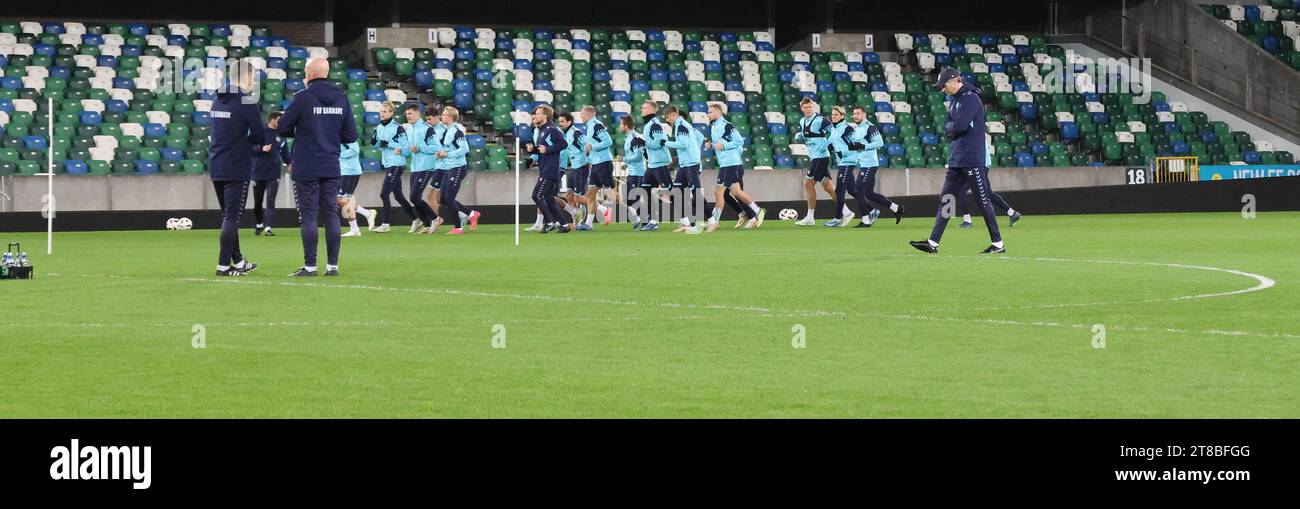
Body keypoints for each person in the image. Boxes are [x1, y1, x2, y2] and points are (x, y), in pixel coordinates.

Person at [277, 57, 358, 276]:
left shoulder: (303, 98)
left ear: (311, 74)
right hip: (331, 164)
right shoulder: (341, 98)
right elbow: (351, 135)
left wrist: (300, 130)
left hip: (306, 165)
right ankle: (332, 266)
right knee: (331, 213)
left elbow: (282, 127)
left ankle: (310, 266)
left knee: (309, 215)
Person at [910, 67, 1003, 254]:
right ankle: (933, 242)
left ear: (954, 81)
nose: (942, 89)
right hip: (957, 159)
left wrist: (952, 127)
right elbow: (946, 127)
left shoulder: (971, 99)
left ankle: (998, 243)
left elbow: (958, 126)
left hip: (972, 159)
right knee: (947, 200)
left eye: (944, 85)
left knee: (982, 200)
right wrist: (953, 127)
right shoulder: (955, 101)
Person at [207, 59, 265, 276]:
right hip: (236, 166)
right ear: (247, 76)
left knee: (227, 216)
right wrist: (247, 141)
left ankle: (238, 261)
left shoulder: (216, 100)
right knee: (232, 217)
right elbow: (260, 135)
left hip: (217, 164)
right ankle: (223, 266)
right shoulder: (247, 102)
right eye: (253, 78)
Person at [703, 102, 764, 232]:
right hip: (727, 163)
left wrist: (723, 146)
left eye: (710, 112)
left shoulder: (727, 125)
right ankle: (757, 210)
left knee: (719, 192)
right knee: (737, 192)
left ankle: (714, 221)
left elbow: (739, 141)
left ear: (719, 112)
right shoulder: (714, 126)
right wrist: (711, 145)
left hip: (729, 163)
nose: (708, 114)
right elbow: (720, 143)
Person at [850, 105, 904, 228]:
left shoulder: (870, 127)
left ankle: (866, 220)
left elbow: (880, 142)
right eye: (854, 114)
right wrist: (854, 146)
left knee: (857, 190)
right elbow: (860, 144)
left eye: (858, 113)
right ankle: (896, 208)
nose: (855, 116)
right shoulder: (858, 128)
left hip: (869, 164)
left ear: (864, 114)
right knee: (869, 193)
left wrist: (863, 146)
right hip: (865, 164)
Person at [957, 135, 1021, 228]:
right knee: (988, 193)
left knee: (961, 191)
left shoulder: (970, 133)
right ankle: (1012, 213)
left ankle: (967, 221)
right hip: (983, 165)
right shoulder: (975, 131)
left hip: (977, 165)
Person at [372, 101, 417, 233]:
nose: (382, 114)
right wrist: (375, 142)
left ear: (392, 113)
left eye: (385, 111)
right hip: (387, 164)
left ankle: (385, 224)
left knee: (384, 193)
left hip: (397, 163)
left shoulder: (398, 128)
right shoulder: (378, 127)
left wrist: (389, 144)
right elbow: (379, 145)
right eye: (381, 111)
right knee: (398, 196)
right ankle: (416, 219)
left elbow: (406, 149)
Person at [525, 105, 571, 233]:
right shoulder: (543, 130)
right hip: (545, 167)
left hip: (550, 169)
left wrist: (548, 149)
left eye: (538, 113)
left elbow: (563, 144)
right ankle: (565, 225)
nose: (535, 116)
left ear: (545, 116)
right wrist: (533, 149)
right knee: (549, 198)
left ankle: (550, 222)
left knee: (537, 195)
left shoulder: (552, 129)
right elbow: (542, 149)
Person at [433, 107, 477, 235]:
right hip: (449, 167)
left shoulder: (457, 131)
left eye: (444, 114)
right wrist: (441, 154)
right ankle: (471, 214)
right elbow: (448, 149)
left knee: (449, 198)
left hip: (458, 168)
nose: (442, 116)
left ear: (451, 117)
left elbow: (465, 149)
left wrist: (447, 154)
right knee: (443, 199)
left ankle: (458, 227)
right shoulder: (447, 131)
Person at [794, 98, 836, 226]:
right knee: (828, 187)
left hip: (821, 156)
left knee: (808, 184)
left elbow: (833, 132)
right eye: (805, 107)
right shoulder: (802, 121)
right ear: (802, 108)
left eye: (809, 107)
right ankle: (846, 211)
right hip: (814, 156)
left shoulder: (820, 120)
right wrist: (801, 135)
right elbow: (808, 134)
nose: (808, 109)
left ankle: (810, 217)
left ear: (813, 107)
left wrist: (826, 143)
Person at [663, 105, 705, 233]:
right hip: (687, 163)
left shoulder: (681, 126)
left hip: (690, 164)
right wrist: (694, 149)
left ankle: (706, 222)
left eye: (667, 117)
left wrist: (666, 143)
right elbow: (700, 137)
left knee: (693, 193)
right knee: (678, 192)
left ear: (674, 115)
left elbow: (683, 144)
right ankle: (689, 222)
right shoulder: (687, 126)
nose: (667, 120)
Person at [251, 111, 290, 237]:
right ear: (272, 120)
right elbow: (249, 148)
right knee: (258, 201)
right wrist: (261, 149)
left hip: (273, 173)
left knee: (271, 200)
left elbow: (285, 154)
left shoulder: (281, 135)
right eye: (279, 120)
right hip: (258, 172)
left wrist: (290, 163)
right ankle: (259, 223)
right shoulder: (260, 132)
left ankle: (268, 227)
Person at [404, 103, 441, 233]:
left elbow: (436, 147)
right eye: (406, 114)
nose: (408, 116)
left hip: (426, 166)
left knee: (414, 197)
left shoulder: (427, 128)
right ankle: (427, 225)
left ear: (417, 114)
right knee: (414, 198)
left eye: (410, 113)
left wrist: (420, 148)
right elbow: (410, 149)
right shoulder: (409, 129)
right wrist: (402, 151)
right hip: (415, 167)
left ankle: (435, 218)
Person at [637, 100, 674, 231]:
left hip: (660, 163)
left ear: (651, 110)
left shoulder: (654, 124)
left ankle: (689, 218)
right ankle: (652, 221)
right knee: (645, 190)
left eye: (644, 107)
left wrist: (644, 143)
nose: (642, 109)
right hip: (652, 164)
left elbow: (659, 143)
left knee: (671, 192)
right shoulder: (649, 124)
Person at [824, 105, 860, 228]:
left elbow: (856, 144)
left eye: (836, 114)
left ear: (842, 116)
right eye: (832, 114)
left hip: (848, 161)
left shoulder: (847, 128)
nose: (833, 116)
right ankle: (871, 210)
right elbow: (829, 144)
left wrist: (842, 152)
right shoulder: (834, 129)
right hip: (842, 163)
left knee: (839, 191)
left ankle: (837, 218)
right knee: (852, 190)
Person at [579, 105, 614, 229]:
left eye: (582, 113)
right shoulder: (589, 127)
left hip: (603, 163)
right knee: (590, 195)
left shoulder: (596, 125)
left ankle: (634, 213)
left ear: (589, 114)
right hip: (596, 164)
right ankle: (589, 223)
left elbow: (608, 141)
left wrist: (592, 147)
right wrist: (588, 156)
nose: (580, 116)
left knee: (611, 193)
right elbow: (592, 146)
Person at [338, 140, 376, 237]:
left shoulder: (348, 135)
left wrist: (337, 155)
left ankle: (355, 228)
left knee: (341, 199)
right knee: (344, 200)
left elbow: (355, 150)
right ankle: (367, 214)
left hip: (349, 171)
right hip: (345, 171)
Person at [618, 115, 648, 229]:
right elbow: (634, 156)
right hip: (632, 172)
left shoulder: (635, 138)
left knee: (634, 198)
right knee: (627, 198)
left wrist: (624, 159)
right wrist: (627, 164)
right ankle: (640, 220)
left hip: (638, 173)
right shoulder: (630, 138)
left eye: (621, 124)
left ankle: (646, 221)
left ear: (626, 126)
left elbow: (638, 157)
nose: (619, 126)